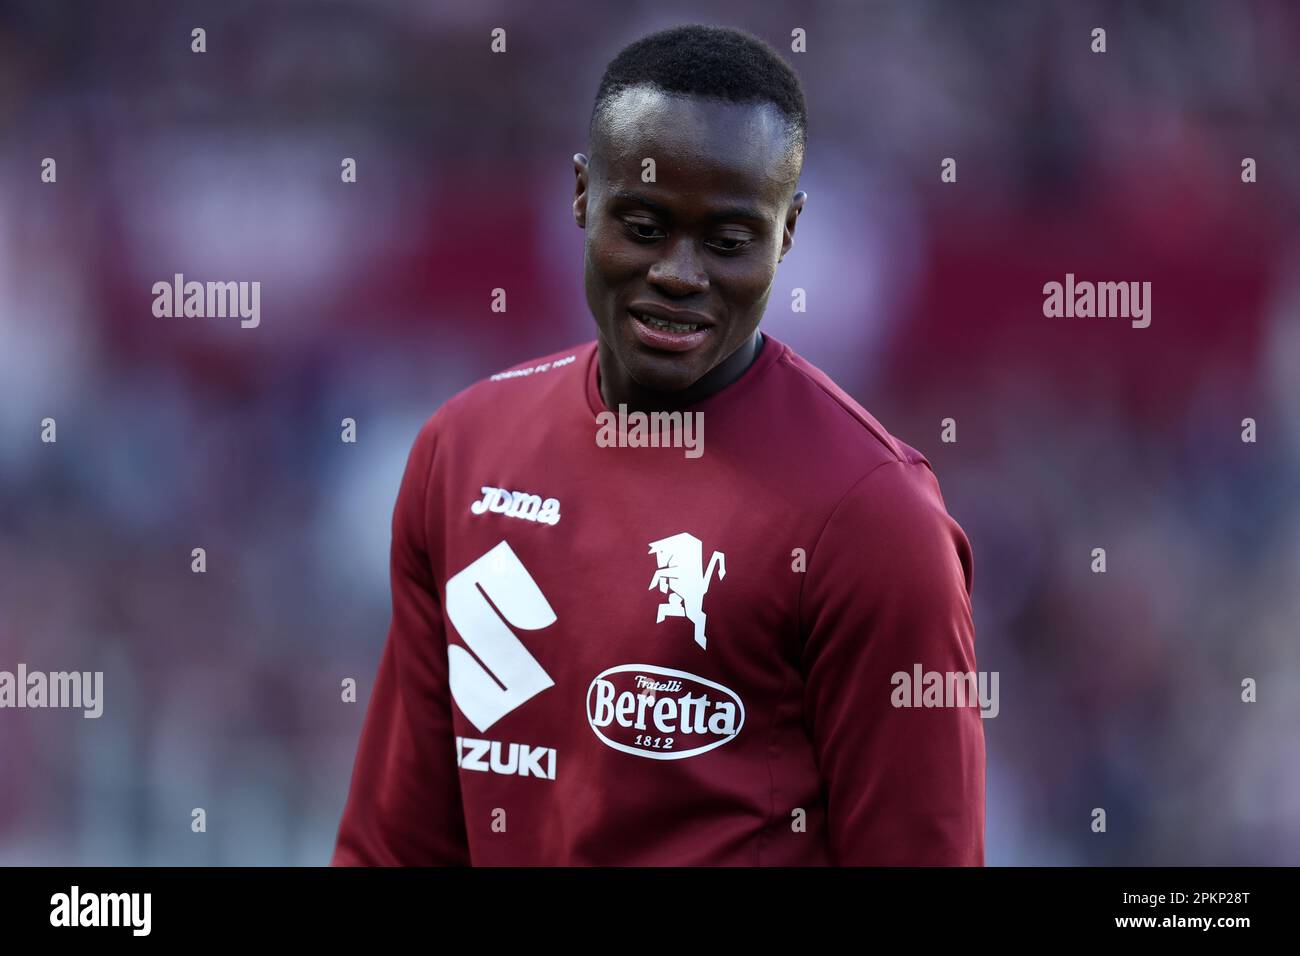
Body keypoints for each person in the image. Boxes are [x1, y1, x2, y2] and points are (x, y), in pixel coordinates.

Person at [332, 23, 984, 866]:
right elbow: (397, 845)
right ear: (580, 197)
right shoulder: (462, 454)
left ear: (788, 233)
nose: (680, 272)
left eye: (727, 242)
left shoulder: (873, 516)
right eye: (642, 225)